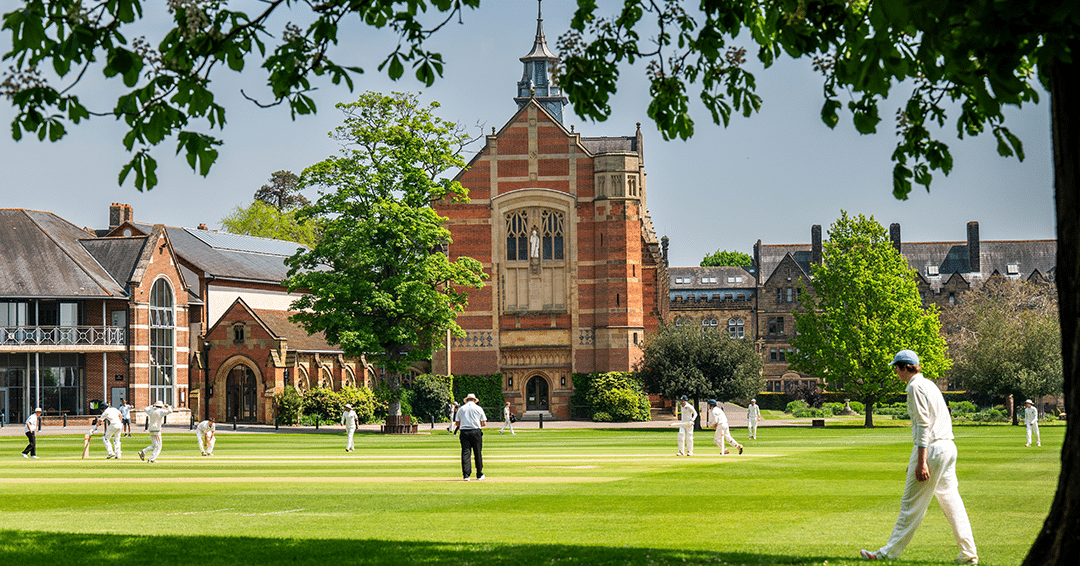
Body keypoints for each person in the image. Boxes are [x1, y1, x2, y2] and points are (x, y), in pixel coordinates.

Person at [860, 350, 978, 564]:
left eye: (896, 367)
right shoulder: (929, 384)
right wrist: (915, 460)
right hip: (947, 447)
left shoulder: (914, 387)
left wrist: (921, 461)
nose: (895, 371)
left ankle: (887, 554)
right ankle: (969, 554)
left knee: (910, 505)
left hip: (933, 449)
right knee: (952, 502)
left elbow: (923, 425)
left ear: (906, 367)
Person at [454, 393, 487, 481]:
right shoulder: (478, 408)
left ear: (467, 400)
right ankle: (479, 474)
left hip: (464, 432)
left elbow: (457, 423)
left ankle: (466, 475)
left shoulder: (461, 409)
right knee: (477, 453)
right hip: (476, 431)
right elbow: (484, 423)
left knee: (466, 453)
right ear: (474, 400)